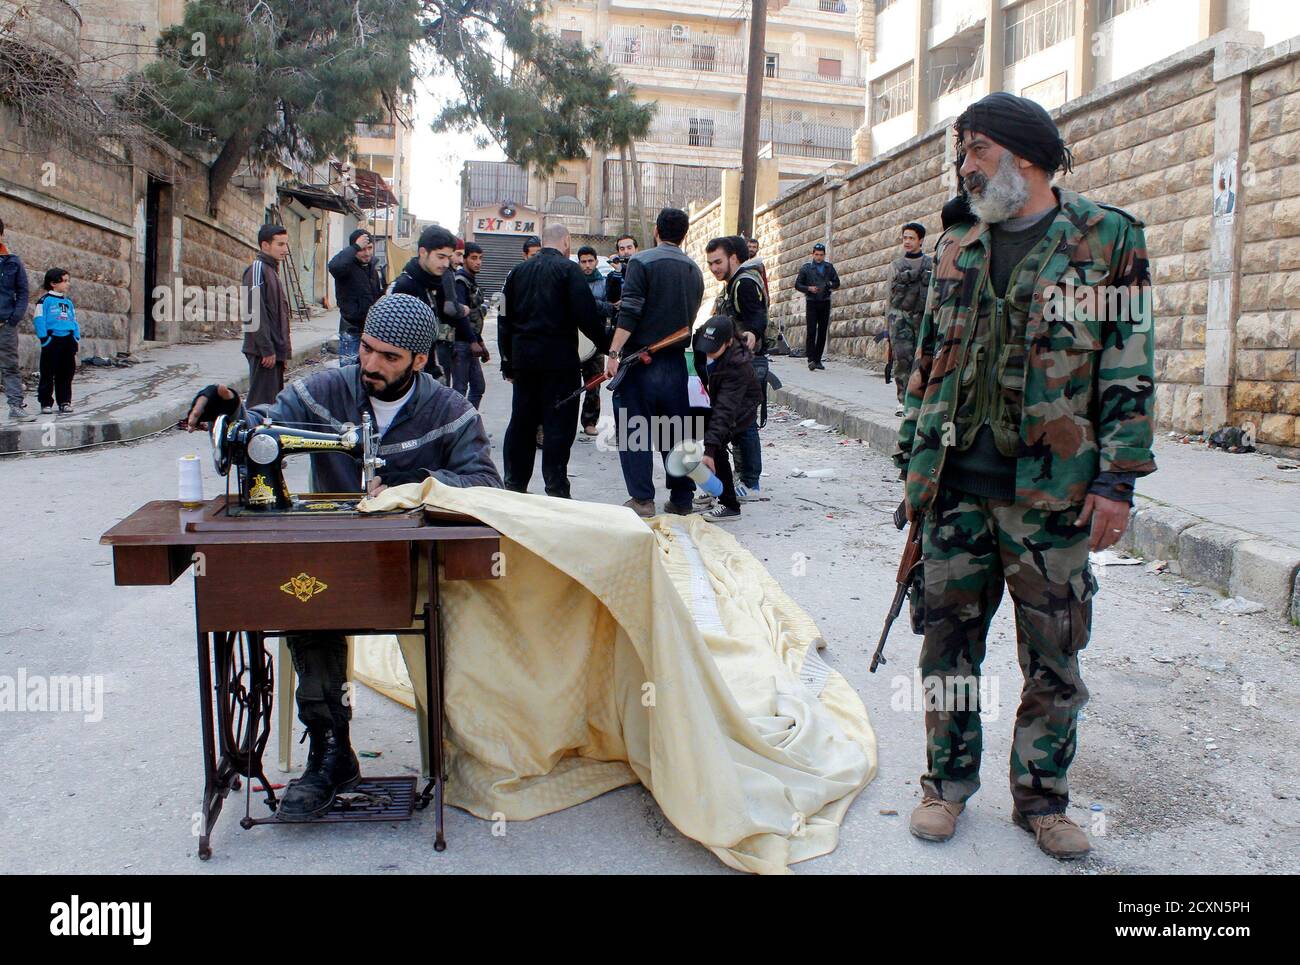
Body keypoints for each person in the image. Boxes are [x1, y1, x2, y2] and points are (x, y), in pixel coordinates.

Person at [895, 91, 1157, 860]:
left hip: (1055, 494)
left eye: (975, 150)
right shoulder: (957, 240)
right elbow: (925, 363)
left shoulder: (1107, 238)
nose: (963, 166)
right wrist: (912, 466)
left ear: (1026, 156)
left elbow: (1129, 368)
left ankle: (1041, 799)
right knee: (947, 647)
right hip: (954, 487)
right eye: (962, 152)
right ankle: (945, 785)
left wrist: (1118, 481)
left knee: (1052, 653)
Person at [184, 293, 500, 819]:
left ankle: (462, 744)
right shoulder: (324, 390)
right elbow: (264, 428)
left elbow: (485, 481)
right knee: (305, 592)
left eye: (390, 357)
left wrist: (410, 486)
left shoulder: (450, 411)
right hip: (335, 560)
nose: (372, 365)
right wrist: (229, 405)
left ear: (420, 361)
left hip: (410, 566)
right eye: (368, 350)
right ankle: (331, 750)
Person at [605, 207, 704, 518]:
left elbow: (630, 311)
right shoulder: (694, 270)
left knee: (636, 431)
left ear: (657, 232)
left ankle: (643, 499)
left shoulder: (641, 262)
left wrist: (613, 353)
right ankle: (682, 499)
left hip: (640, 362)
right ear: (684, 234)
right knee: (675, 431)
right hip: (675, 363)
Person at [498, 223, 609, 497]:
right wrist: (609, 346)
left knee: (522, 423)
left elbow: (503, 319)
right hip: (560, 365)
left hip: (524, 365)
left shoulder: (516, 273)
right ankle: (556, 488)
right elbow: (587, 316)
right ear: (567, 242)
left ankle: (514, 485)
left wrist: (507, 361)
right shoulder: (569, 271)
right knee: (558, 427)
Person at [703, 235, 769, 506]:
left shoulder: (742, 283)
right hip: (740, 361)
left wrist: (752, 333)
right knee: (741, 422)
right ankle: (744, 477)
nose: (714, 268)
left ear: (733, 258)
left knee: (745, 424)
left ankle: (750, 481)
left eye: (718, 262)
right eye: (710, 264)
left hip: (747, 363)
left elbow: (757, 318)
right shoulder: (734, 283)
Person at [691, 315, 761, 522]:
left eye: (714, 348)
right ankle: (714, 488)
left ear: (729, 342)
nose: (708, 352)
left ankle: (729, 504)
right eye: (706, 346)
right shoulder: (703, 344)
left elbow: (725, 411)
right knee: (696, 429)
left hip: (740, 407)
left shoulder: (737, 365)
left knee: (717, 443)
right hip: (718, 400)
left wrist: (710, 450)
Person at [388, 224, 474, 381]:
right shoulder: (404, 287)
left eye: (448, 258)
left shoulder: (433, 285)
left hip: (427, 373)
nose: (446, 264)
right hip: (403, 378)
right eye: (440, 257)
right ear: (423, 252)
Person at [241, 224, 293, 407]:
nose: (285, 250)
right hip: (262, 352)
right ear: (265, 246)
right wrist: (267, 349)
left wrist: (283, 353)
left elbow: (279, 315)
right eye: (280, 244)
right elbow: (253, 311)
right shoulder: (257, 269)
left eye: (286, 244)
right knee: (260, 406)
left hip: (274, 352)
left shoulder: (271, 270)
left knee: (272, 405)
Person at [885, 222, 932, 416]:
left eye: (911, 238)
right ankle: (903, 400)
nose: (907, 241)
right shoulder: (895, 266)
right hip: (900, 320)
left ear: (920, 240)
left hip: (923, 319)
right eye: (905, 238)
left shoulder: (930, 265)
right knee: (902, 361)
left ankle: (920, 401)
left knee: (922, 361)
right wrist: (887, 328)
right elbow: (888, 298)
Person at [327, 228, 384, 366]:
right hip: (351, 331)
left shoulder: (372, 268)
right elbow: (334, 267)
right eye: (362, 249)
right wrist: (355, 246)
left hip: (371, 331)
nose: (367, 253)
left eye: (370, 248)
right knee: (349, 374)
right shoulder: (346, 267)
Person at [576, 245, 615, 436]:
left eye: (590, 261)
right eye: (583, 261)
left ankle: (590, 422)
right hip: (574, 341)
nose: (587, 265)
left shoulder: (605, 283)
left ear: (596, 262)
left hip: (596, 341)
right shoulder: (573, 282)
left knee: (594, 382)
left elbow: (611, 308)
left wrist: (590, 304)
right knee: (570, 384)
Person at [0, 217, 33, 422]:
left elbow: (23, 292)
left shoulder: (13, 261)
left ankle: (16, 406)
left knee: (10, 366)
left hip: (5, 325)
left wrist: (14, 318)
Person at [34, 268, 80, 415]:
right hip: (52, 339)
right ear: (53, 283)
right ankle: (46, 402)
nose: (68, 284)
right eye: (64, 281)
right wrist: (45, 339)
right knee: (47, 372)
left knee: (66, 372)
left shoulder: (68, 302)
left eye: (68, 280)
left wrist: (75, 337)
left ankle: (64, 401)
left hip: (68, 340)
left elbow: (74, 320)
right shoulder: (44, 301)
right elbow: (39, 320)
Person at [451, 242, 489, 408]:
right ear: (464, 259)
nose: (478, 262)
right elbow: (461, 317)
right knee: (459, 390)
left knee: (478, 387)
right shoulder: (460, 282)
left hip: (470, 341)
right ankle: (457, 430)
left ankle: (469, 426)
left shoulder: (469, 281)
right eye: (474, 258)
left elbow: (474, 317)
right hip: (461, 343)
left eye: (480, 258)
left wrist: (480, 342)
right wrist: (473, 341)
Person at [794, 242, 840, 370]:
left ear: (824, 255)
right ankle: (810, 359)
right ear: (813, 254)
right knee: (811, 330)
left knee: (822, 331)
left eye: (821, 255)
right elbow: (798, 284)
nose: (818, 257)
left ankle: (818, 359)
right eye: (816, 255)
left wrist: (829, 285)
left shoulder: (829, 268)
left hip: (824, 301)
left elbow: (837, 282)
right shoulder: (806, 268)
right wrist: (809, 288)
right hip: (812, 302)